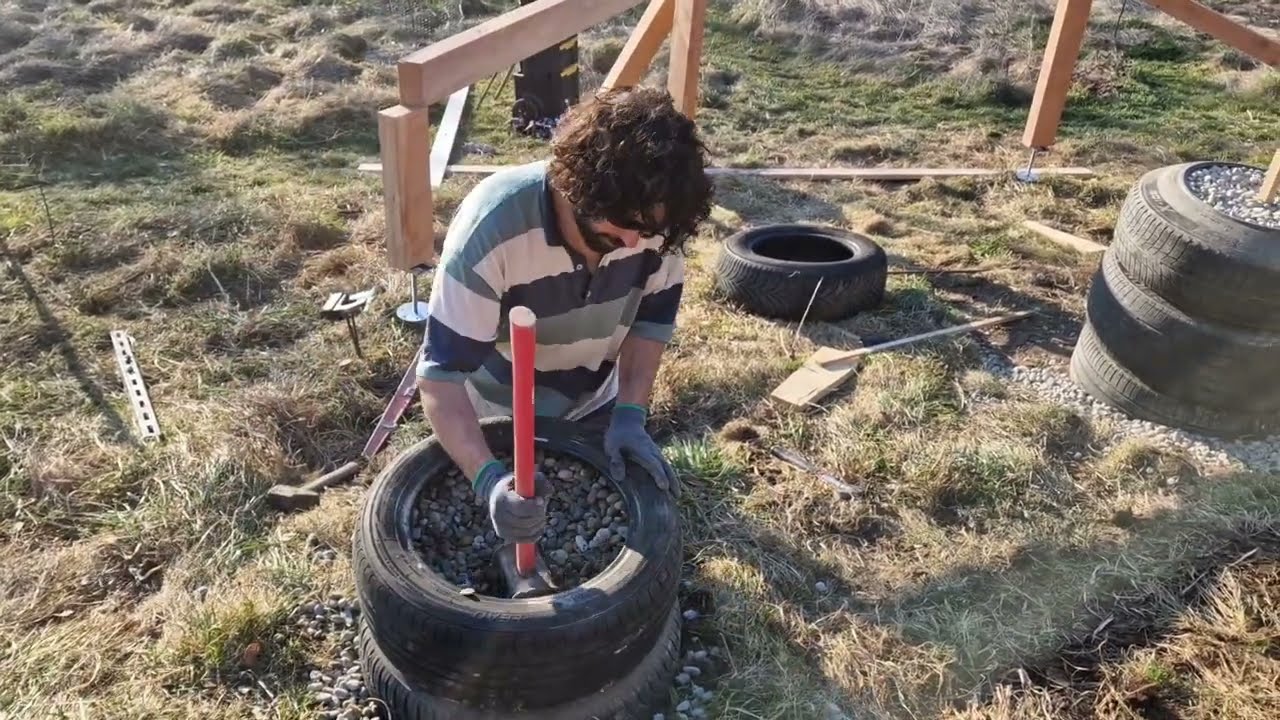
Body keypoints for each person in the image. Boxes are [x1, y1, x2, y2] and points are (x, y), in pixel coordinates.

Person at [415, 86, 714, 549]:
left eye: (648, 231)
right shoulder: (490, 230)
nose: (636, 245)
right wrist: (487, 480)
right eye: (622, 229)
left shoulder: (650, 225)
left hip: (594, 403)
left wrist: (631, 413)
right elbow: (441, 380)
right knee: (491, 542)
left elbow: (649, 324)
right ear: (577, 191)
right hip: (495, 415)